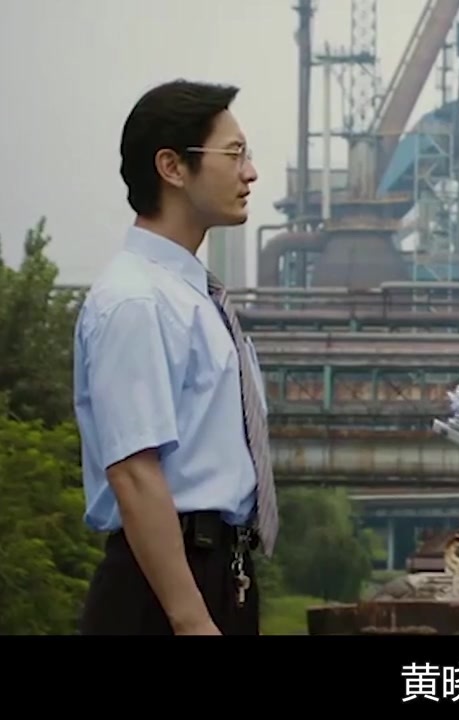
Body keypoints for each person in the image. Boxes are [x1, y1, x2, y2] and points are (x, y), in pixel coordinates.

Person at [74, 79, 277, 636]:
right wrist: (191, 620)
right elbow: (133, 470)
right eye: (234, 154)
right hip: (164, 588)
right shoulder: (135, 300)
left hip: (220, 572)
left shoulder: (195, 298)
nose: (250, 173)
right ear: (172, 167)